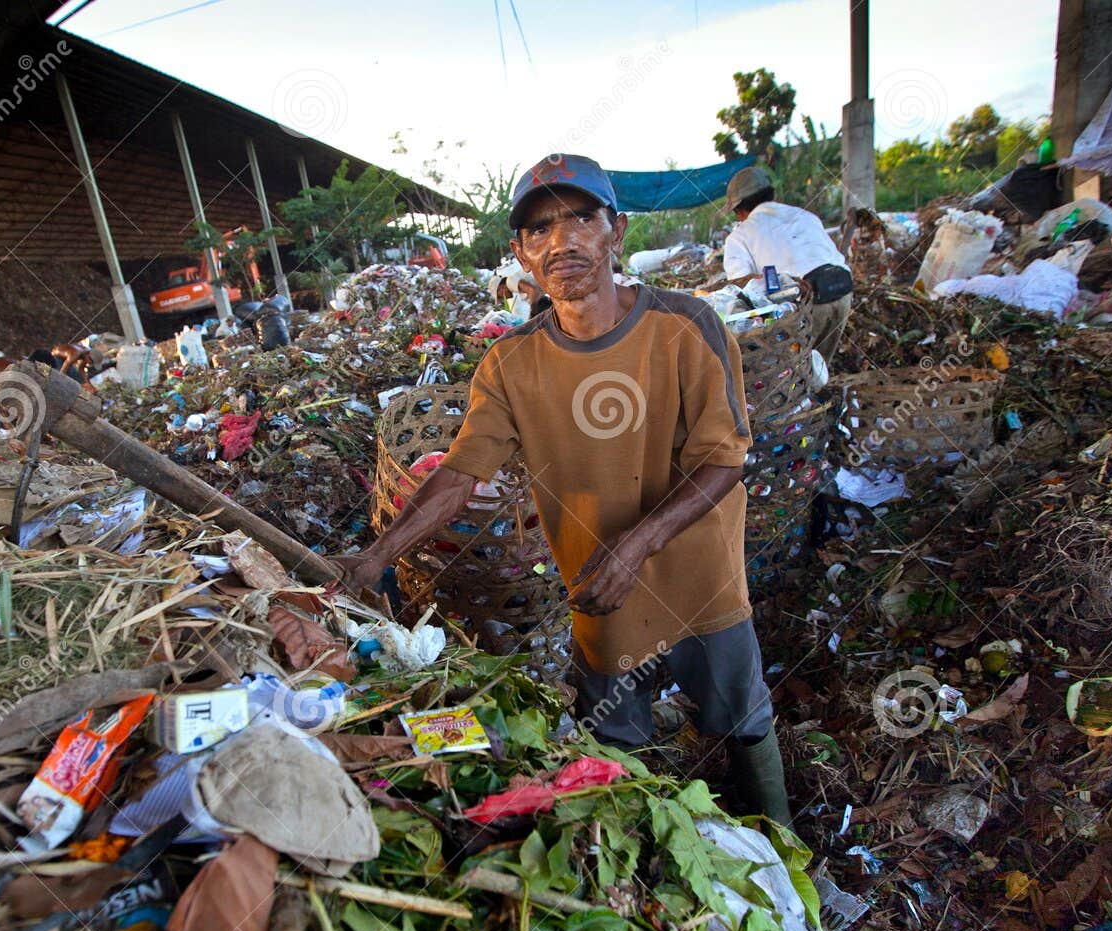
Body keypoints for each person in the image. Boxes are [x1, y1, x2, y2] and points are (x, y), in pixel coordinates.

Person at [332, 154, 792, 825]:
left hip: (700, 582)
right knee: (616, 754)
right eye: (539, 227)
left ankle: (784, 852)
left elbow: (724, 462)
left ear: (617, 231)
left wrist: (637, 545)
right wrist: (376, 557)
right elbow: (461, 472)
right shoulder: (511, 363)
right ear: (520, 252)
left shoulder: (686, 327)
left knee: (741, 718)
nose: (561, 239)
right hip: (603, 596)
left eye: (580, 217)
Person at [720, 166, 854, 365]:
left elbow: (741, 290)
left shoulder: (739, 237)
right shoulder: (806, 216)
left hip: (804, 302)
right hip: (843, 290)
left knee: (792, 372)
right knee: (819, 366)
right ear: (772, 194)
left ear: (739, 210)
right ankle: (819, 391)